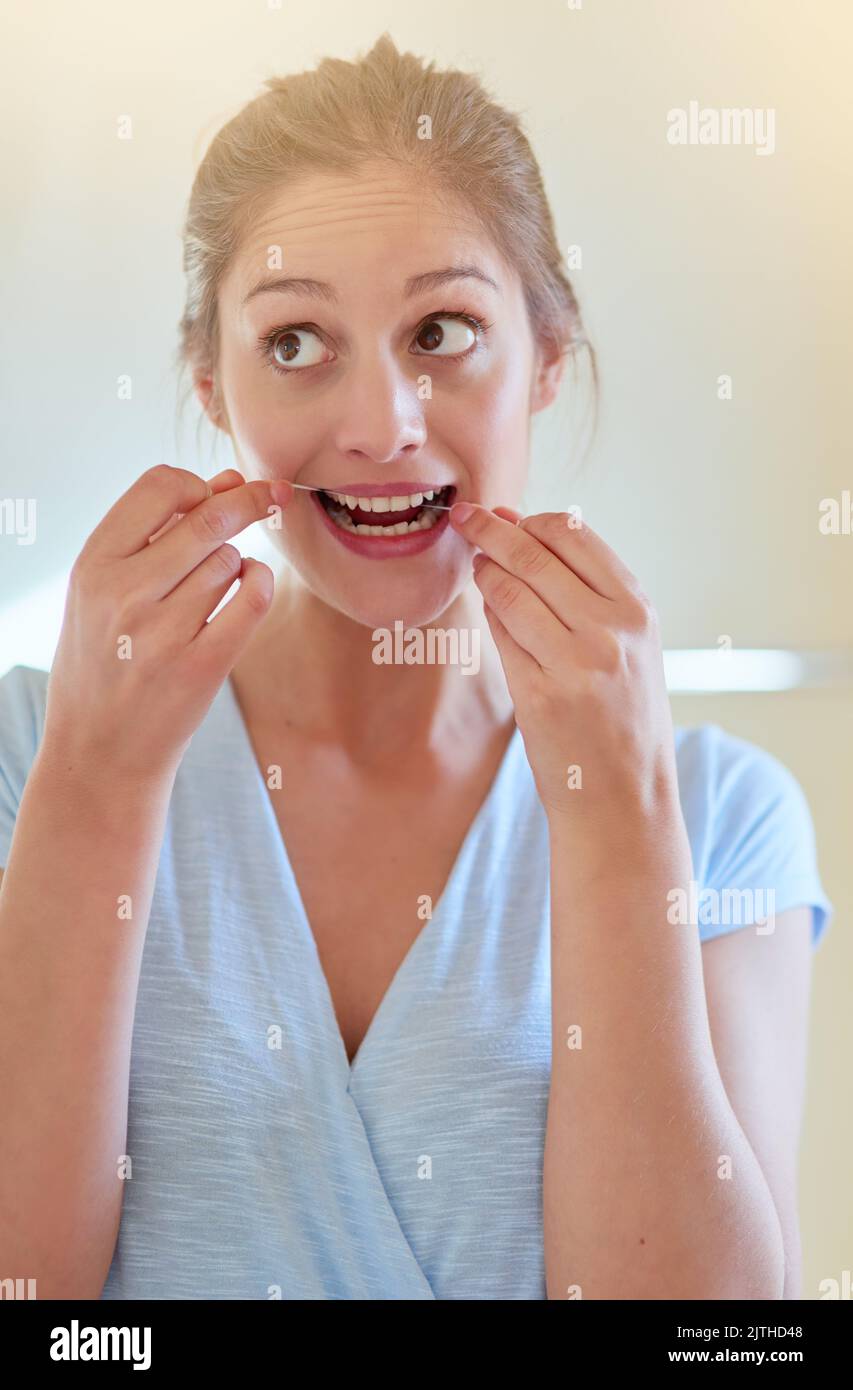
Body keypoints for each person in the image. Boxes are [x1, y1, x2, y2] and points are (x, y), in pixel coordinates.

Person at [0, 34, 833, 1301]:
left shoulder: (721, 819)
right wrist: (98, 789)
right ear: (210, 383)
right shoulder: (28, 753)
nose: (383, 424)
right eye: (294, 343)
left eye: (441, 329)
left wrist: (617, 813)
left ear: (547, 357)